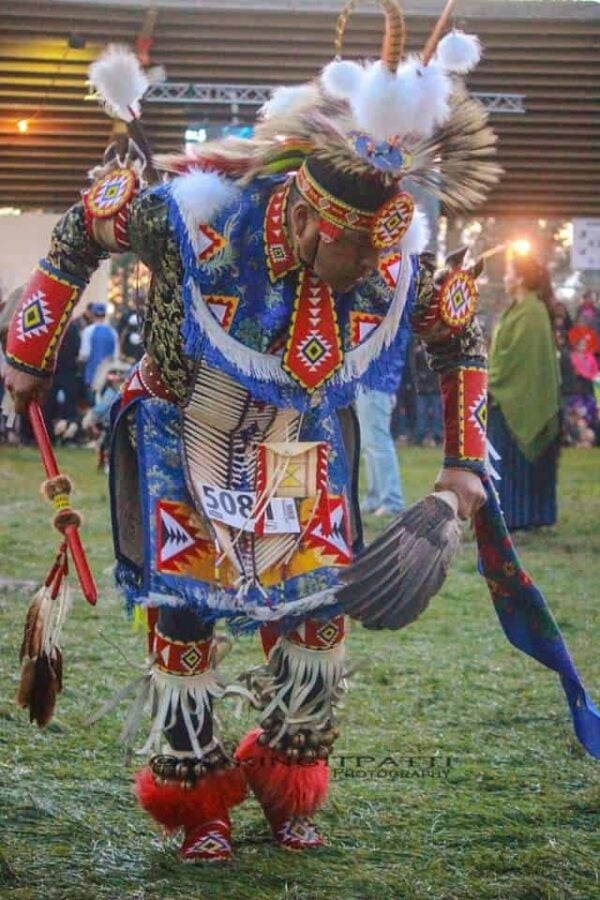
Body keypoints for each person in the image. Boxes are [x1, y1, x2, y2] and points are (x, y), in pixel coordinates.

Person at [4, 10, 497, 864]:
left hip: (297, 446)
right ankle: (196, 802)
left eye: (364, 247)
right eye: (325, 237)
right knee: (187, 620)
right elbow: (88, 224)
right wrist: (29, 350)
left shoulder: (392, 265)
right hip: (178, 429)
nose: (337, 261)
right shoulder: (193, 220)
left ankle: (289, 779)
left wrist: (461, 468)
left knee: (315, 623)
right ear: (300, 203)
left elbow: (461, 337)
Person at [487, 255, 561, 530]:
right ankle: (516, 515)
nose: (505, 278)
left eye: (508, 273)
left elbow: (517, 360)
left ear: (519, 278)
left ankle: (521, 517)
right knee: (507, 462)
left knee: (514, 463)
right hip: (507, 398)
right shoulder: (519, 309)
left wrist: (490, 382)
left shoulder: (531, 312)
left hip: (518, 400)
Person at [355, 380, 406, 517]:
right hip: (371, 385)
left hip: (376, 384)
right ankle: (374, 498)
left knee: (378, 445)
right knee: (369, 445)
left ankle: (392, 501)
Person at [79, 302, 118, 401]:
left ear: (92, 314)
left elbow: (84, 354)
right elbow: (116, 355)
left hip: (92, 375)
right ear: (104, 315)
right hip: (108, 375)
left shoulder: (88, 331)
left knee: (93, 406)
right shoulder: (112, 332)